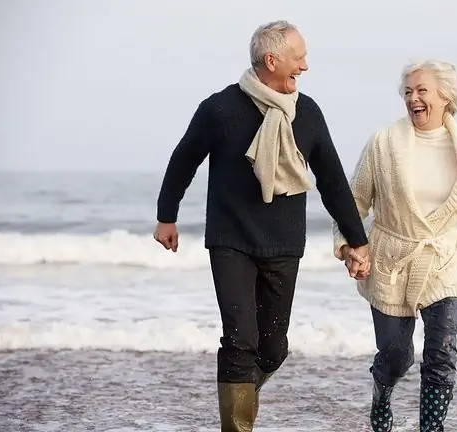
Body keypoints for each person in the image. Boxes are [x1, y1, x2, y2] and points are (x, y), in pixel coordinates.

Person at [153, 20, 370, 432]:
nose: (305, 67)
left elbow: (333, 179)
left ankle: (240, 399)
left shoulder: (306, 112)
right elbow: (184, 159)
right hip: (230, 239)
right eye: (299, 58)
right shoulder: (219, 109)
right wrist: (167, 215)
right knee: (239, 342)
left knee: (272, 349)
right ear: (272, 60)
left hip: (284, 243)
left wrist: (358, 241)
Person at [332, 59, 457, 431]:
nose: (413, 98)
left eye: (421, 90)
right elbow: (355, 202)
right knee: (396, 356)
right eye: (407, 92)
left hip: (444, 257)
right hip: (391, 257)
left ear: (445, 97)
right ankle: (382, 391)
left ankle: (431, 428)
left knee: (440, 353)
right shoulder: (383, 143)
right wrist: (348, 247)